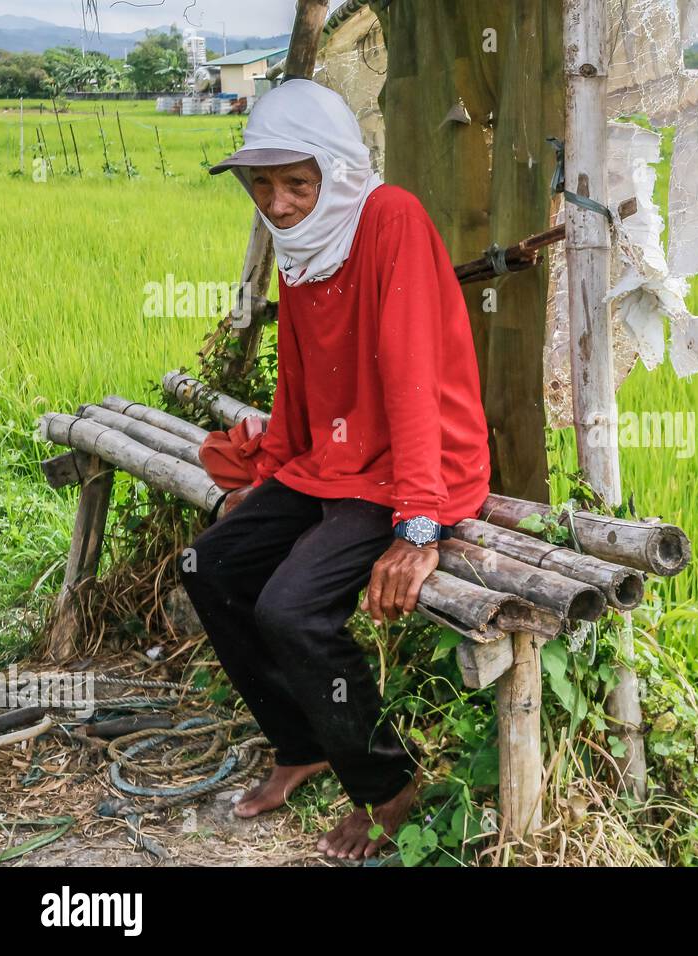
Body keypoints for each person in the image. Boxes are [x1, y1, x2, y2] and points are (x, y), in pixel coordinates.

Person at [179, 79, 491, 861]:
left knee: (291, 612)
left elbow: (415, 373)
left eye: (297, 184)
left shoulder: (387, 220)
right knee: (210, 565)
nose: (279, 204)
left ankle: (388, 785)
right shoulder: (306, 241)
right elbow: (301, 372)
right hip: (334, 463)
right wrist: (274, 468)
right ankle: (301, 741)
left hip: (412, 469)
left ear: (338, 172)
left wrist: (420, 525)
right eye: (264, 186)